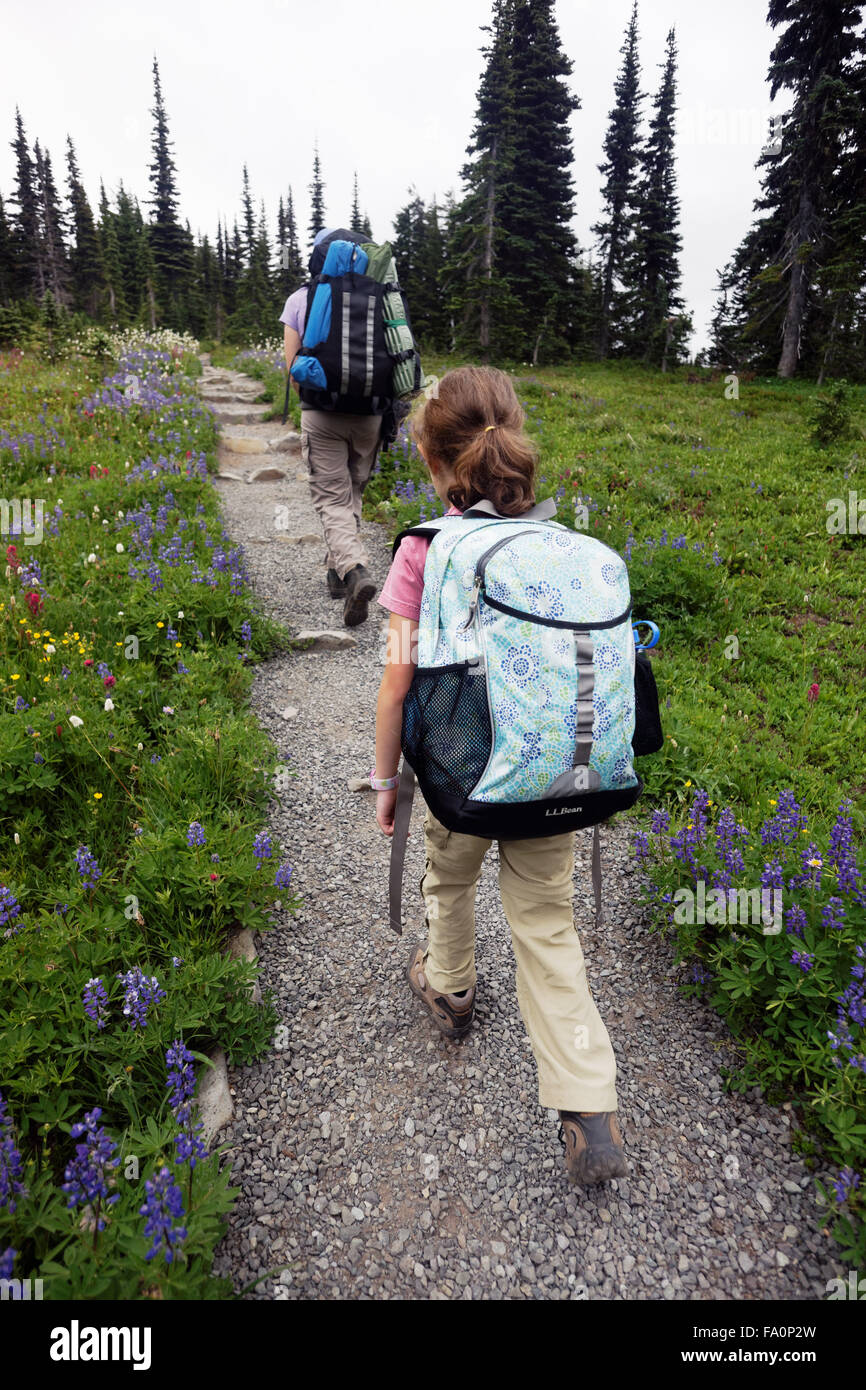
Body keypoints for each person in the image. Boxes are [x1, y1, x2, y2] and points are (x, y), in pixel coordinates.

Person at [371, 366, 628, 1186]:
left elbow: (398, 682)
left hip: (469, 776)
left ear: (429, 456)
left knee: (448, 880)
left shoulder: (424, 548)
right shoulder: (569, 547)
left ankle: (450, 988)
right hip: (559, 776)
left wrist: (385, 781)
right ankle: (589, 1104)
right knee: (548, 926)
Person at [279, 227, 381, 627]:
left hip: (322, 413)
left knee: (332, 499)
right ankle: (337, 573)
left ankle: (355, 570)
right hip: (371, 413)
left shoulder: (300, 299)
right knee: (352, 491)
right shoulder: (376, 298)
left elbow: (293, 372)